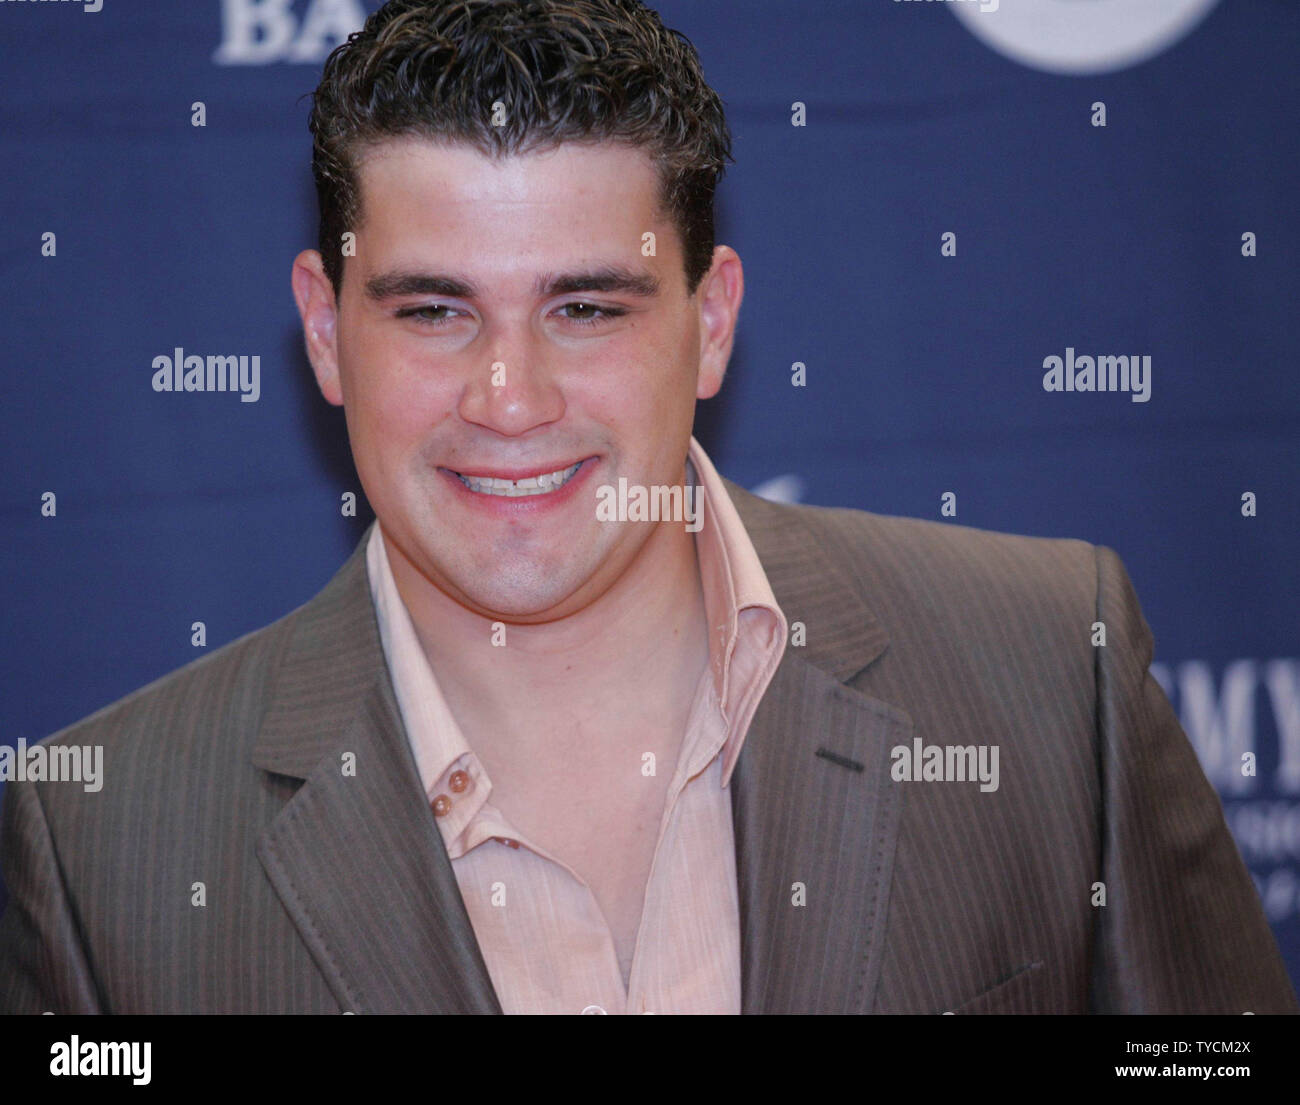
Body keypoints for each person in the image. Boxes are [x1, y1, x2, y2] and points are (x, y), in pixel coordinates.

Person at [0, 0, 1294, 1015]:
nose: (509, 397)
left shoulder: (1042, 676)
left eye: (587, 307)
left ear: (712, 321)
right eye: (434, 310)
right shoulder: (101, 844)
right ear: (326, 333)